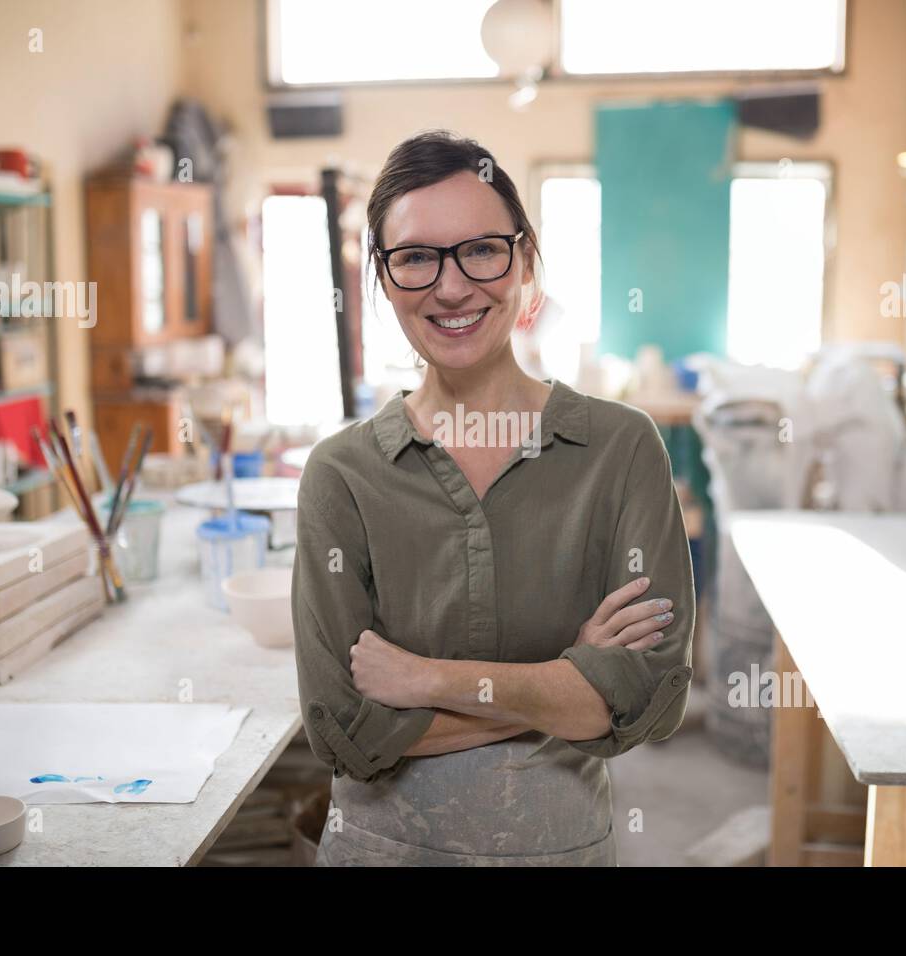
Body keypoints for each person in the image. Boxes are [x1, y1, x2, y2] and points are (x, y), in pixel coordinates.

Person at [292, 129, 695, 866]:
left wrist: (424, 680)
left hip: (560, 848)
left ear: (525, 259)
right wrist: (569, 684)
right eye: (415, 258)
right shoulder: (340, 474)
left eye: (480, 250)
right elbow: (343, 729)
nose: (451, 287)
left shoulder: (620, 449)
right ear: (381, 278)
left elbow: (650, 697)